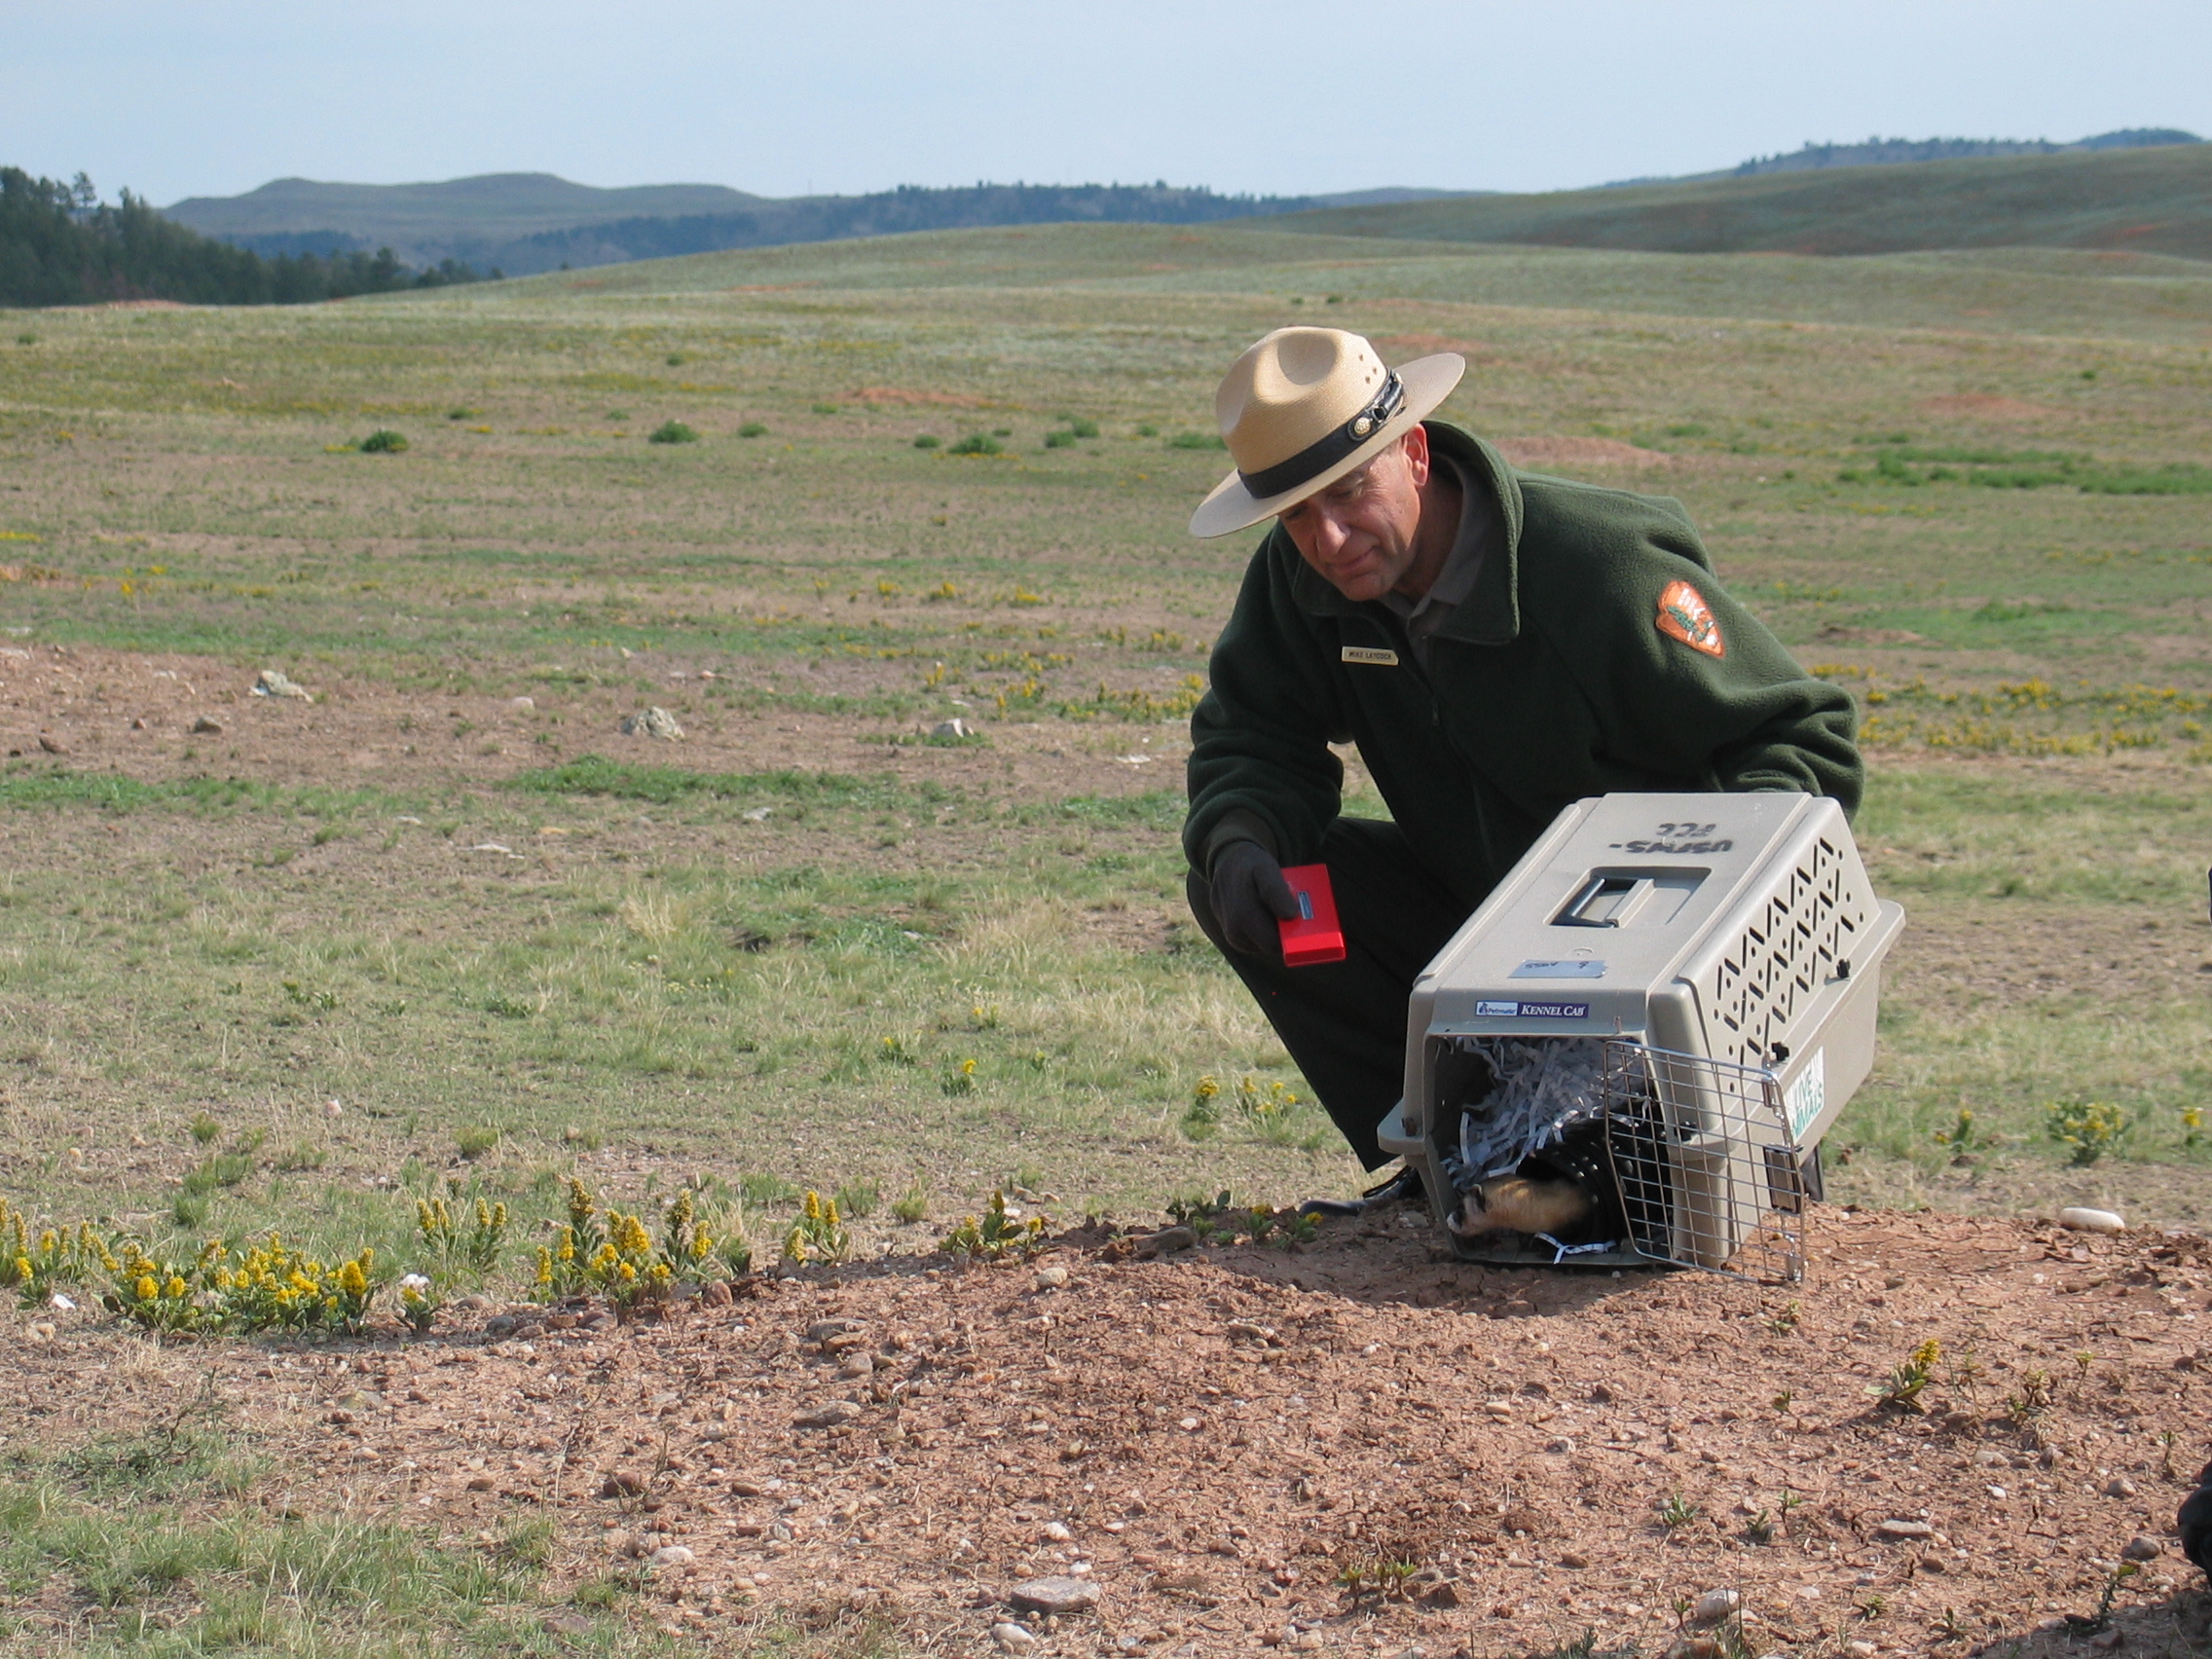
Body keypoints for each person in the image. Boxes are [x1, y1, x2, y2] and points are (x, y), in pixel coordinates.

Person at [1181, 327, 1863, 1179]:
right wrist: (1241, 834)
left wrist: (1704, 920)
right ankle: (1453, 1152)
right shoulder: (1304, 578)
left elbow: (1801, 741)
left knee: (1668, 1206)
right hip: (1482, 926)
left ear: (1416, 454)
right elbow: (1257, 731)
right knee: (1257, 885)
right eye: (1296, 515)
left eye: (1351, 492)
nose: (1329, 539)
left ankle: (1688, 1151)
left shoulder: (1596, 570)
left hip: (1651, 952)